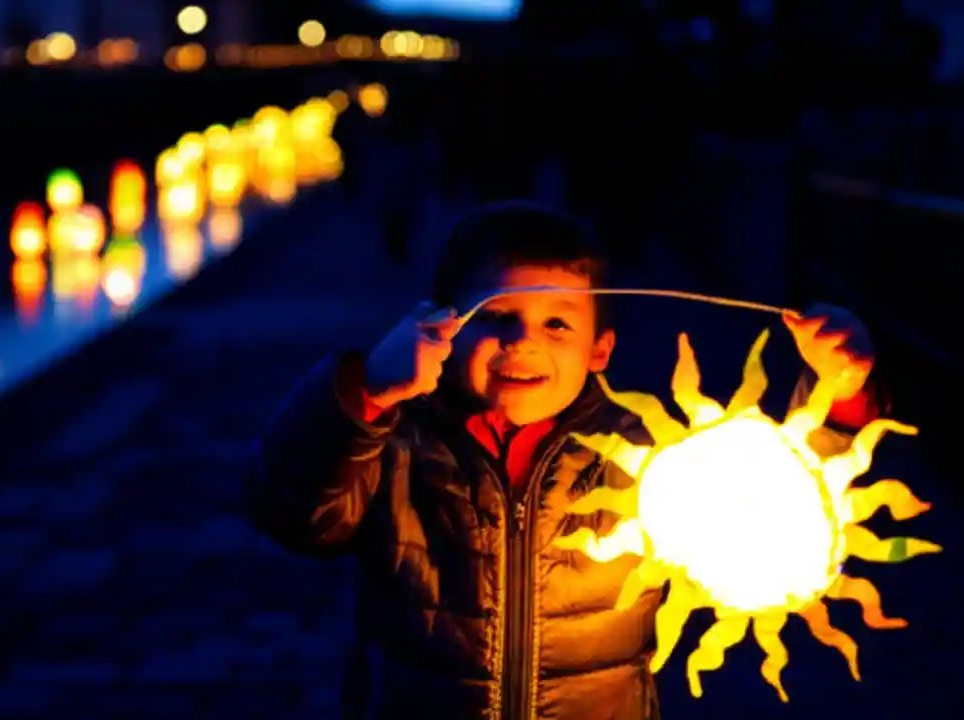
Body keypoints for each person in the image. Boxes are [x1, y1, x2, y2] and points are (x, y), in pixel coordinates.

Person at [244, 201, 882, 719]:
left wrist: (839, 388)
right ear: (442, 328)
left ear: (600, 349)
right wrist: (366, 392)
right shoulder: (400, 444)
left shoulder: (655, 460)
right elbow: (290, 510)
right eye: (496, 316)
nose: (523, 340)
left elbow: (794, 494)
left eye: (557, 324)